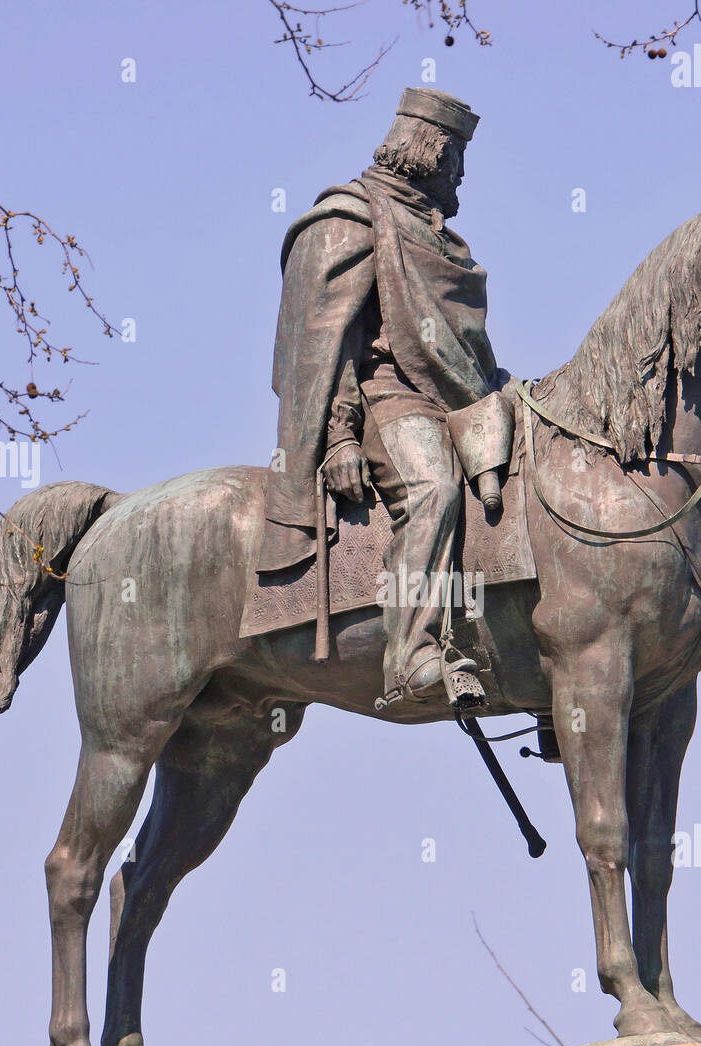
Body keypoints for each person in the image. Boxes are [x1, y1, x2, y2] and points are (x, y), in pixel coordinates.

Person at [259, 87, 505, 708]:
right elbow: (323, 344)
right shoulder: (352, 219)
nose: (461, 177)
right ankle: (412, 652)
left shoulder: (436, 236)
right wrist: (339, 434)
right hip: (387, 400)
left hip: (460, 400)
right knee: (435, 490)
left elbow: (463, 352)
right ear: (429, 155)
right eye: (455, 162)